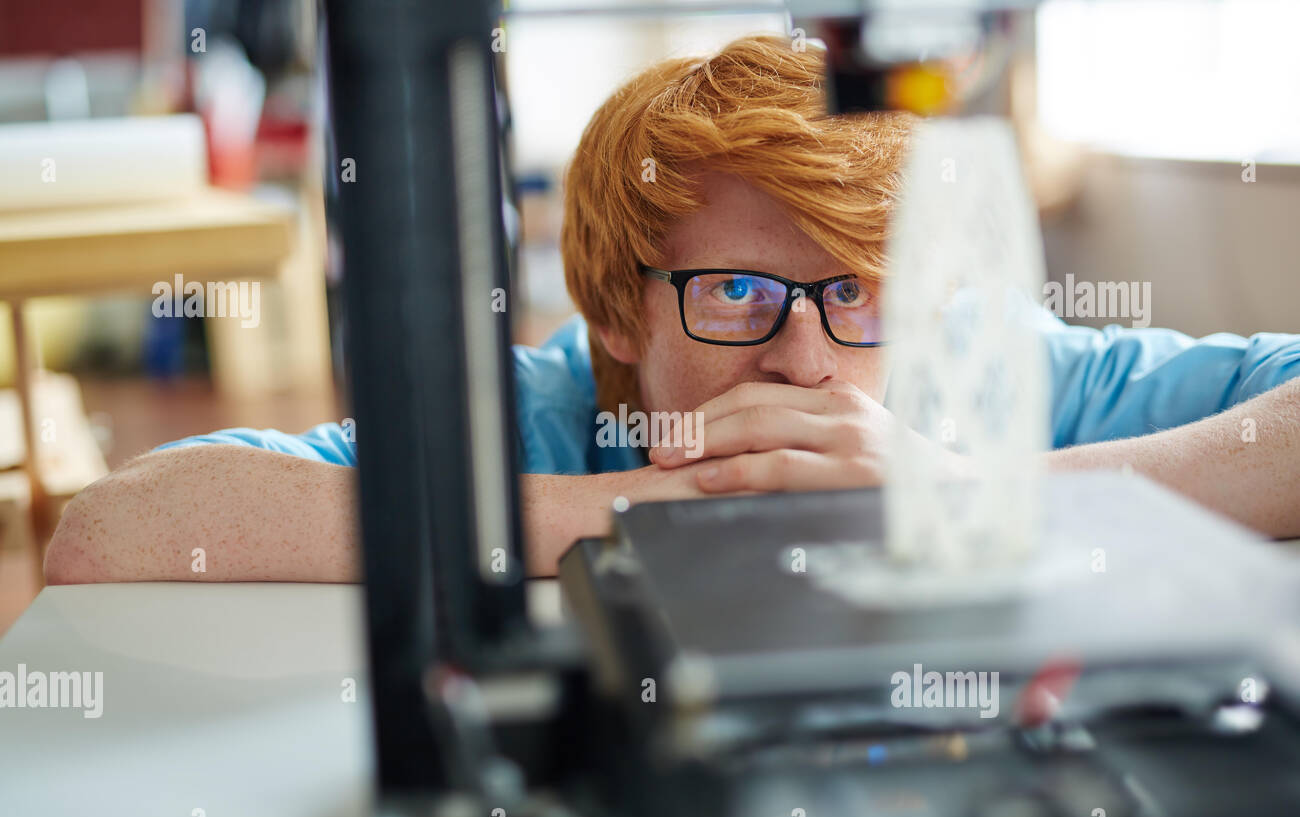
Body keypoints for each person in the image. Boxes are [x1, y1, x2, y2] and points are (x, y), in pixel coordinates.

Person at [43, 35, 1300, 585]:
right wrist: (646, 509)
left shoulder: (985, 368)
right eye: (736, 292)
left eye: (857, 290)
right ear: (615, 319)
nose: (808, 361)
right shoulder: (549, 413)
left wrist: (970, 493)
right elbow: (113, 529)